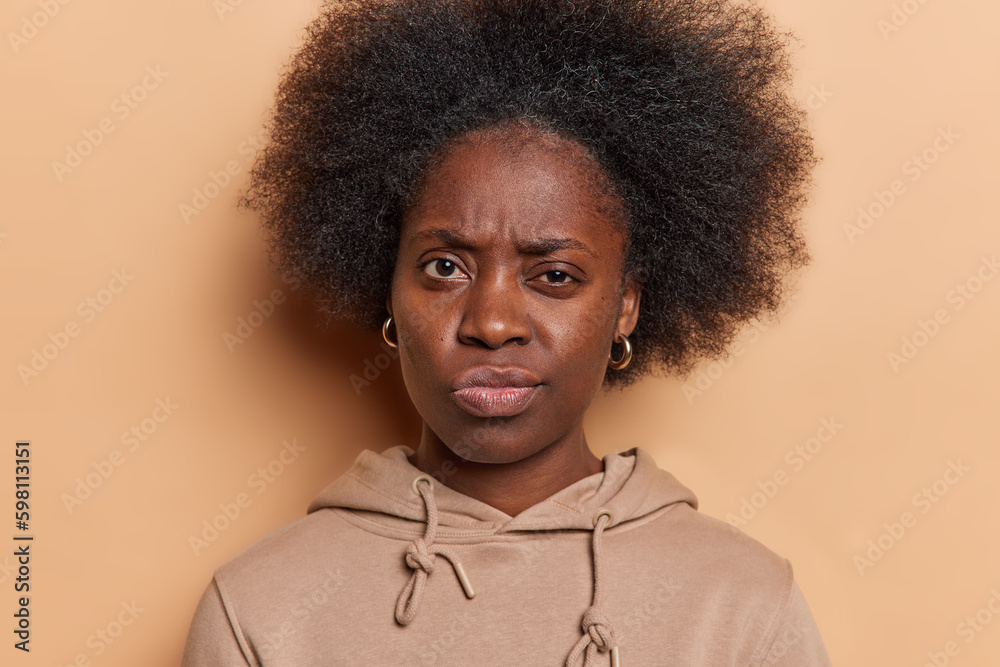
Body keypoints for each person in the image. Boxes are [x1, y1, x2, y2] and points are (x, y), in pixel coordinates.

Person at [181, 0, 830, 664]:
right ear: (387, 288)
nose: (491, 323)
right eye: (444, 267)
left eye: (553, 275)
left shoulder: (744, 604)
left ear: (626, 305)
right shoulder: (261, 607)